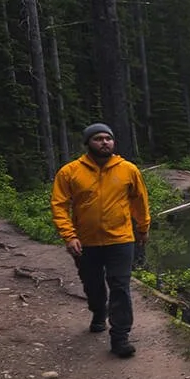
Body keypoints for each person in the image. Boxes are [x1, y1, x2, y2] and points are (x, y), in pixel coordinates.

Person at [50, 123, 150, 357]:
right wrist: (69, 235)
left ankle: (120, 338)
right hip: (86, 242)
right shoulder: (70, 172)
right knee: (92, 284)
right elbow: (59, 205)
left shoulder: (128, 169)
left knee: (120, 286)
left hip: (121, 239)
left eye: (108, 138)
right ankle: (98, 311)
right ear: (88, 143)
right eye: (98, 139)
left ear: (113, 142)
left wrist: (143, 228)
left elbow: (140, 201)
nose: (104, 142)